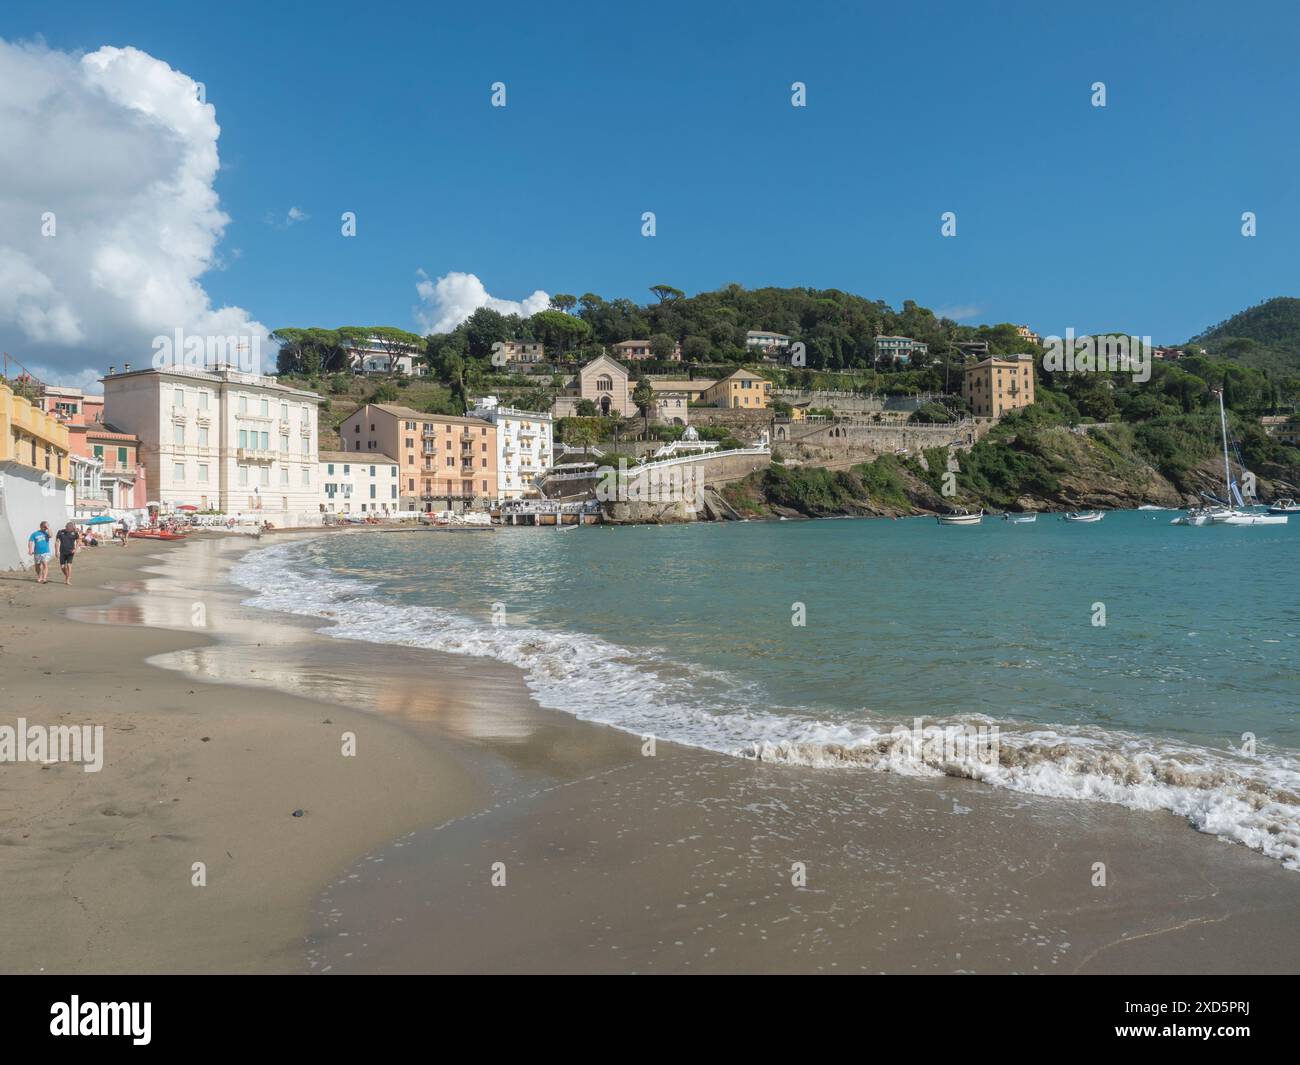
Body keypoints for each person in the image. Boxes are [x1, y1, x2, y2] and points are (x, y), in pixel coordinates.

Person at [55, 521, 79, 586]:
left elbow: (78, 541)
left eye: (70, 528)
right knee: (62, 567)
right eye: (67, 527)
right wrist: (56, 552)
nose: (68, 529)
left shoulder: (75, 533)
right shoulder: (60, 532)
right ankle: (67, 575)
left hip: (70, 552)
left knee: (69, 565)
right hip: (62, 551)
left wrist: (75, 549)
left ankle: (67, 580)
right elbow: (57, 542)